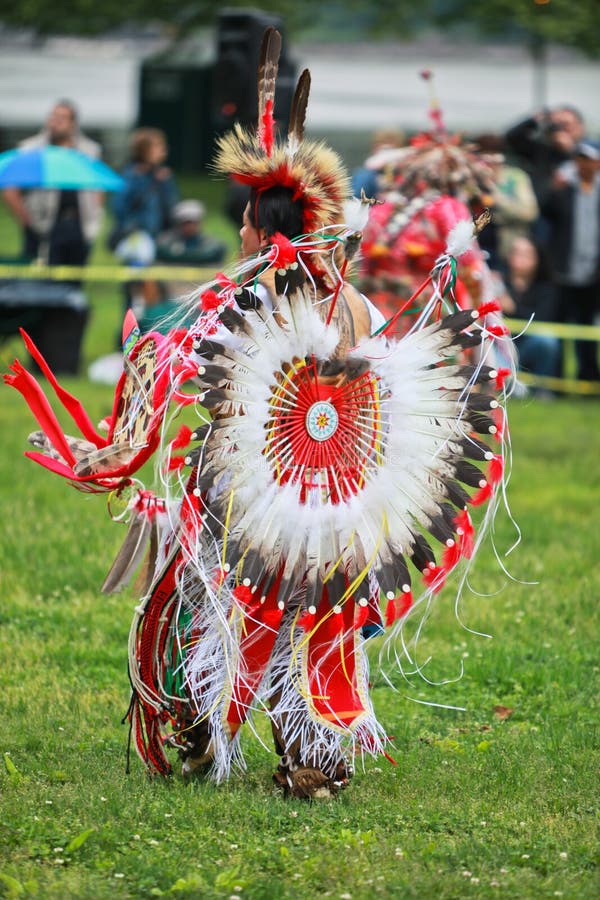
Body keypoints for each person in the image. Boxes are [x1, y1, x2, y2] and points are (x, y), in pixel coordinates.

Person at [5, 29, 514, 800]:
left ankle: (209, 725)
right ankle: (313, 754)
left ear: (261, 234)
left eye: (246, 223)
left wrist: (96, 457)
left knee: (218, 606)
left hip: (249, 508)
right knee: (313, 623)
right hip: (337, 509)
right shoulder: (356, 304)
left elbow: (158, 385)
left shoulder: (243, 305)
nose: (238, 233)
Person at [2, 99, 102, 264]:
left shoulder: (88, 151)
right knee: (42, 283)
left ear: (73, 123)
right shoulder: (30, 149)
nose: (56, 122)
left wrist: (95, 217)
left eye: (62, 118)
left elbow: (97, 188)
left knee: (74, 279)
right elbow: (11, 189)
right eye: (53, 116)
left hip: (79, 225)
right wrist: (28, 223)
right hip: (43, 225)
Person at [541, 141, 600, 383]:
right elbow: (544, 211)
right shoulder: (564, 189)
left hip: (593, 275)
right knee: (559, 328)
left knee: (586, 331)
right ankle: (557, 383)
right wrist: (554, 189)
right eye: (579, 158)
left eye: (588, 158)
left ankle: (588, 380)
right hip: (562, 273)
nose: (582, 164)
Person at [499, 236, 560, 392]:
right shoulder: (497, 281)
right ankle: (511, 386)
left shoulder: (546, 288)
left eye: (526, 254)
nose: (519, 258)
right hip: (502, 346)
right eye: (515, 252)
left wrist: (513, 309)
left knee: (547, 339)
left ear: (537, 259)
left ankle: (542, 390)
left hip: (528, 346)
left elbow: (541, 320)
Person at [505, 105, 586, 207]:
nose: (561, 129)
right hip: (544, 212)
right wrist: (537, 118)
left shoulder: (590, 150)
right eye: (557, 124)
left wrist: (570, 150)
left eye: (565, 124)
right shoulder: (541, 150)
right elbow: (511, 137)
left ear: (579, 127)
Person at [156, 200, 227, 266]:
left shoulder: (211, 242)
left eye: (193, 222)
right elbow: (161, 252)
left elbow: (213, 253)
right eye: (186, 223)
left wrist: (179, 254)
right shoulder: (166, 239)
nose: (190, 226)